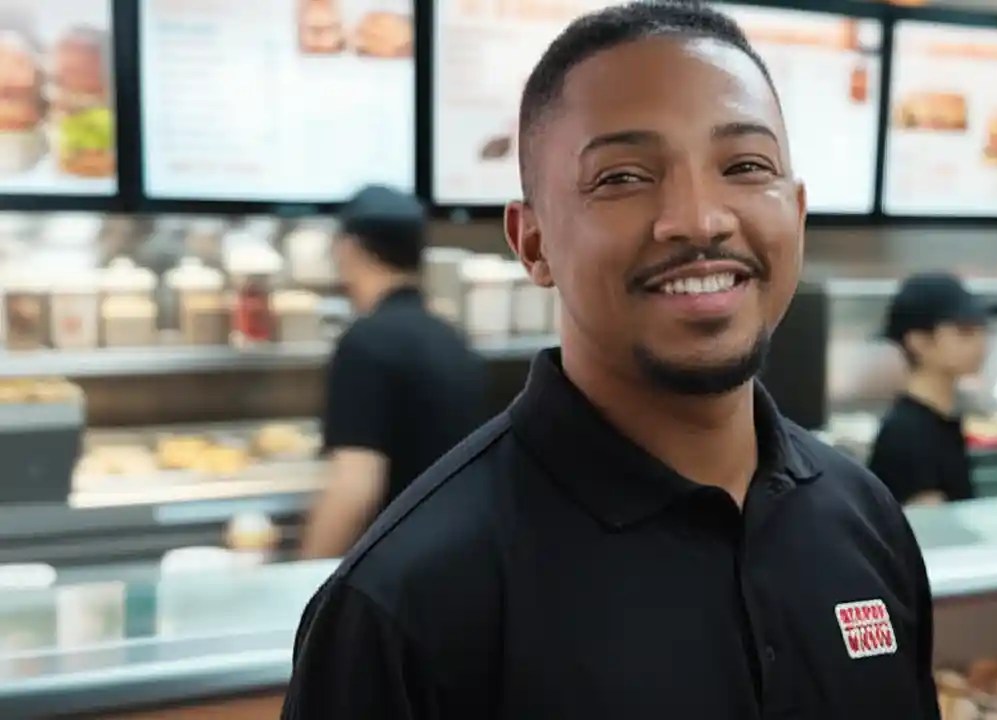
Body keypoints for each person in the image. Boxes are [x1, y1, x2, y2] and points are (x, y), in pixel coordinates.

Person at [284, 4, 939, 718]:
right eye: (623, 177)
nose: (699, 218)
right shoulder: (405, 602)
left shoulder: (866, 521)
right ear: (531, 242)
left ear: (799, 211)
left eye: (746, 166)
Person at [299, 186, 486, 559]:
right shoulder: (451, 337)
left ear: (347, 249)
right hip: (453, 559)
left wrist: (305, 592)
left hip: (398, 571)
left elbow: (355, 485)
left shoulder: (367, 342)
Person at [869, 273, 997, 505]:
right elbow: (930, 530)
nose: (982, 343)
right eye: (965, 332)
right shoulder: (907, 434)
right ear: (919, 342)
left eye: (983, 330)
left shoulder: (942, 419)